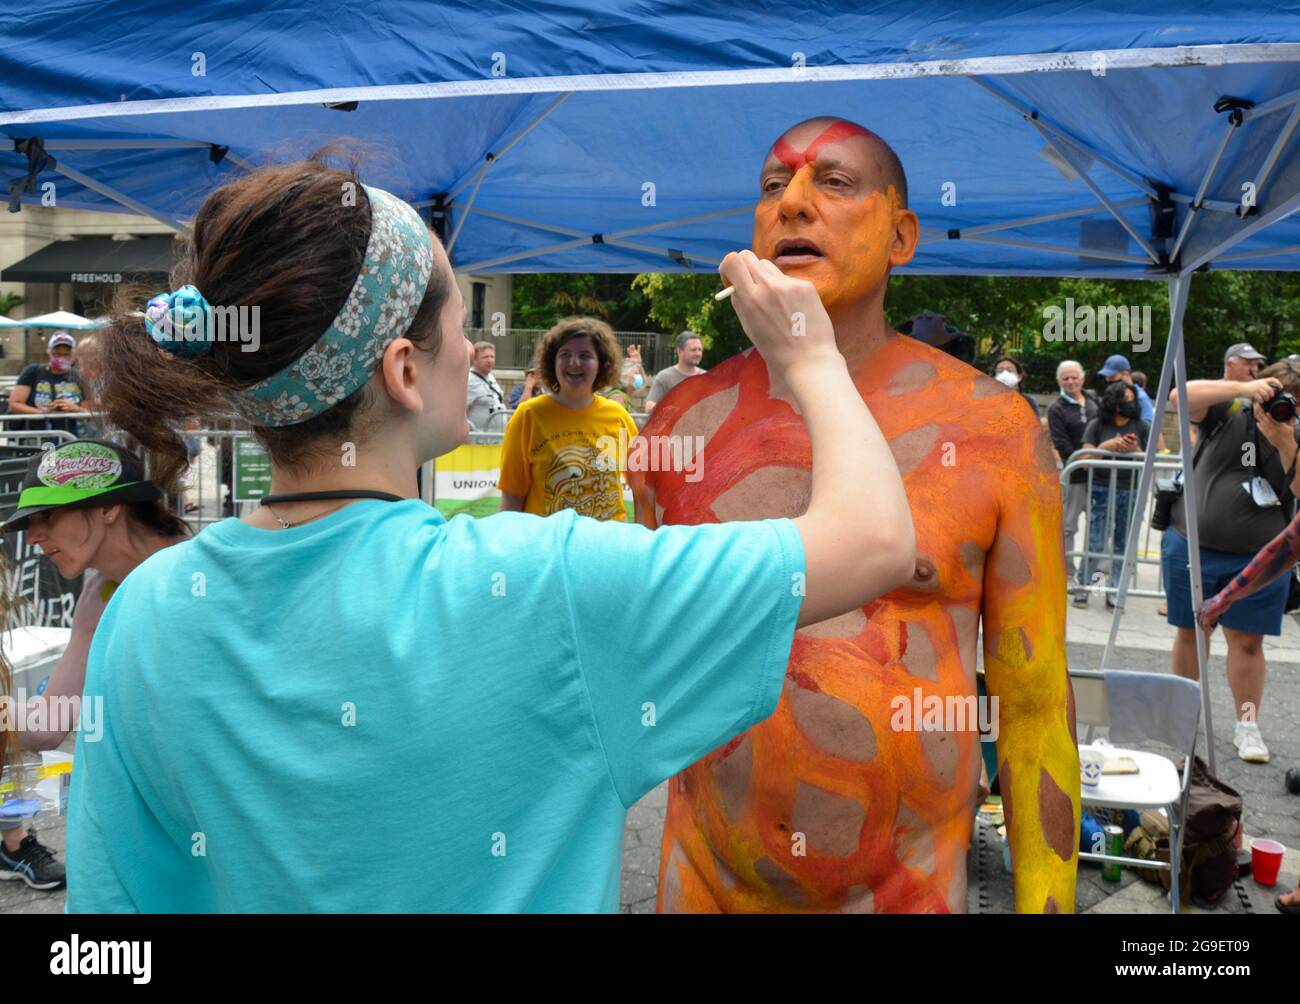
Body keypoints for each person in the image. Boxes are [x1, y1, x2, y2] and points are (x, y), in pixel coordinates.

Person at [63, 154, 917, 913]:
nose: (474, 348)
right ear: (402, 370)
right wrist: (809, 357)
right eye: (459, 322)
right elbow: (875, 538)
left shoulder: (144, 612)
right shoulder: (553, 589)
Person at [631, 116, 1077, 914]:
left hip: (910, 889)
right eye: (773, 187)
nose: (793, 204)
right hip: (705, 882)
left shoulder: (995, 432)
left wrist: (1048, 905)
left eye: (833, 183)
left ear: (902, 235)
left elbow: (1036, 704)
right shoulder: (679, 429)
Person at [0, 439, 188, 891]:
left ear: (109, 508)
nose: (34, 537)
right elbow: (48, 726)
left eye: (48, 516)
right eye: (28, 522)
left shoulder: (199, 574)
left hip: (202, 849)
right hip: (124, 848)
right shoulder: (98, 593)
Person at [1165, 356, 1300, 765]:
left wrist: (1284, 439)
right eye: (1276, 394)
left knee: (1247, 643)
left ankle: (1247, 724)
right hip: (1191, 546)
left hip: (1261, 560)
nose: (1281, 404)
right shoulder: (1230, 407)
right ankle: (1182, 719)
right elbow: (1178, 397)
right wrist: (1244, 389)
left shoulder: (1292, 431)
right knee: (1191, 632)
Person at [498, 317, 638, 521]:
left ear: (601, 364)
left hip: (607, 546)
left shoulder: (618, 416)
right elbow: (512, 497)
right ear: (551, 362)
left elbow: (643, 487)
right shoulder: (528, 416)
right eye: (565, 354)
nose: (574, 363)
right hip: (548, 547)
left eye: (585, 355)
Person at [1079, 381, 1150, 610]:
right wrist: (1107, 446)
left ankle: (1116, 593)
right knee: (1096, 542)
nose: (1130, 402)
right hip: (1100, 488)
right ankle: (1085, 589)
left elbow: (1153, 460)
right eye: (1125, 398)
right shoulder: (1097, 424)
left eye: (1132, 398)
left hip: (1129, 490)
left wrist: (1135, 451)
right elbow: (1083, 461)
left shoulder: (1142, 426)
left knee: (1123, 543)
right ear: (1114, 401)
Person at [1046, 360, 1098, 605]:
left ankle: (1094, 574)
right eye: (1065, 378)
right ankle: (1067, 571)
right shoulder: (1057, 408)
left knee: (1099, 526)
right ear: (1059, 382)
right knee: (1068, 526)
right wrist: (1080, 460)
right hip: (1075, 475)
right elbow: (1061, 442)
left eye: (1074, 377)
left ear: (1083, 378)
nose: (1070, 382)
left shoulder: (1094, 402)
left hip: (1100, 476)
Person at [8, 332, 93, 434]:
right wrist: (44, 413)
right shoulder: (34, 371)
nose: (62, 358)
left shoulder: (79, 376)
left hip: (70, 437)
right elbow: (14, 404)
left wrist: (73, 408)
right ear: (49, 353)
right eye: (57, 354)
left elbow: (88, 413)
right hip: (35, 437)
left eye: (67, 354)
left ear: (74, 356)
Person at [645, 331, 705, 415]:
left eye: (700, 349)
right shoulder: (665, 377)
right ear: (679, 351)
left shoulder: (706, 377)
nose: (698, 353)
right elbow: (649, 406)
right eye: (693, 350)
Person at [1097, 353, 1155, 424]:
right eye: (1107, 377)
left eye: (1112, 376)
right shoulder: (1111, 397)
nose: (1108, 380)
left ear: (1126, 375)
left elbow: (1149, 426)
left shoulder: (1140, 397)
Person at [465, 340, 506, 432]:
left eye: (492, 357)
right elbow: (462, 412)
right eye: (485, 357)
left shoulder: (490, 377)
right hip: (480, 438)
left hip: (496, 437)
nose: (489, 361)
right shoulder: (469, 380)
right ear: (474, 359)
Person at [604, 344, 648, 413]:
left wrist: (639, 364)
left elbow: (645, 384)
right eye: (635, 373)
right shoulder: (617, 397)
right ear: (624, 377)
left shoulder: (625, 396)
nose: (638, 377)